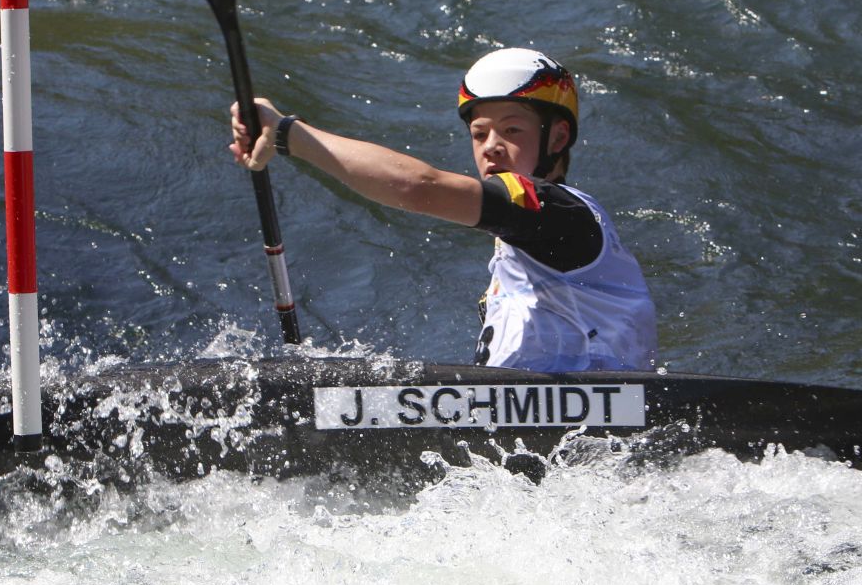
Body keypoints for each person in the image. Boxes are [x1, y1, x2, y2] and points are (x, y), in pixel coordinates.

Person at [229, 48, 657, 372]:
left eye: (512, 129)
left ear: (558, 138)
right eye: (479, 132)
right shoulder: (520, 256)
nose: (491, 145)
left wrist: (289, 135)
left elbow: (419, 188)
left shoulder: (561, 213)